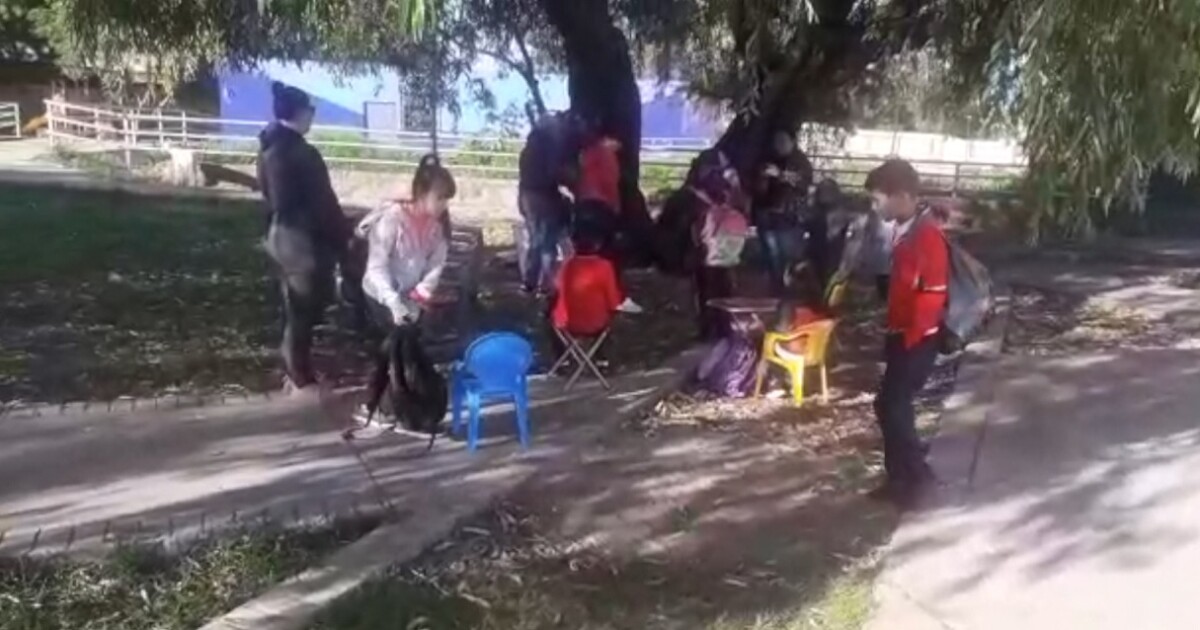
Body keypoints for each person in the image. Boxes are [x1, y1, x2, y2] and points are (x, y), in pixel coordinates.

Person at [257, 81, 350, 394]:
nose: (312, 117)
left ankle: (296, 367)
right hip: (302, 239)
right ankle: (300, 375)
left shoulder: (268, 149)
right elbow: (323, 203)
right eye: (310, 111)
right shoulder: (302, 154)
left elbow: (268, 196)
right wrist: (343, 236)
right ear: (299, 113)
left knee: (293, 305)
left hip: (278, 235)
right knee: (303, 308)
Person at [866, 159, 948, 506]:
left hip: (917, 339)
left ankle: (915, 479)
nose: (875, 206)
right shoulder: (903, 230)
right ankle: (902, 476)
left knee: (894, 406)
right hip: (901, 334)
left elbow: (932, 294)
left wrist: (909, 339)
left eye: (878, 199)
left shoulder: (927, 235)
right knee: (888, 406)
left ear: (900, 196)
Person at [352, 155, 456, 428]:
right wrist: (394, 303)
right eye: (440, 198)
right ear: (421, 194)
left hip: (411, 296)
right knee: (393, 344)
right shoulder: (391, 221)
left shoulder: (438, 227)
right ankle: (380, 405)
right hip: (379, 293)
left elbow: (435, 266)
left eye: (447, 200)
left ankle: (385, 405)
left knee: (398, 346)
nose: (444, 206)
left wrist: (418, 298)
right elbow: (376, 268)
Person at [574, 132, 643, 313]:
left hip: (583, 205)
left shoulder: (586, 153)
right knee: (609, 254)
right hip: (601, 207)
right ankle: (612, 296)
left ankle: (581, 292)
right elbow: (610, 185)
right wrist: (616, 211)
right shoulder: (607, 156)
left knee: (584, 253)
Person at [518, 111, 586, 295]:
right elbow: (553, 172)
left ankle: (531, 281)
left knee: (537, 239)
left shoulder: (531, 147)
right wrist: (572, 184)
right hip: (542, 195)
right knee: (546, 241)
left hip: (528, 194)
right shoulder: (549, 147)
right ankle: (545, 284)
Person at [547, 219, 626, 368]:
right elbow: (613, 301)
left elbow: (557, 292)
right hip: (596, 323)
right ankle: (602, 359)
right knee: (610, 316)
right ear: (597, 244)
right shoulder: (604, 266)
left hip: (567, 323)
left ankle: (563, 361)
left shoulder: (566, 266)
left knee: (549, 317)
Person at [754, 130, 814, 296]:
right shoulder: (768, 158)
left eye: (783, 140)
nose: (778, 144)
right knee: (771, 256)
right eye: (776, 140)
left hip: (789, 216)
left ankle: (788, 292)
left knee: (788, 256)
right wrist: (762, 178)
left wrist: (780, 174)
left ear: (793, 141)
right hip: (767, 214)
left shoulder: (800, 161)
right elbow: (757, 185)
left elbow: (804, 182)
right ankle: (775, 289)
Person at [693, 167, 750, 341]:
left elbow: (704, 237)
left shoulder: (711, 214)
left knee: (707, 298)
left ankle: (709, 332)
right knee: (726, 297)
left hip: (710, 263)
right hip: (730, 263)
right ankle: (725, 330)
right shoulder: (738, 216)